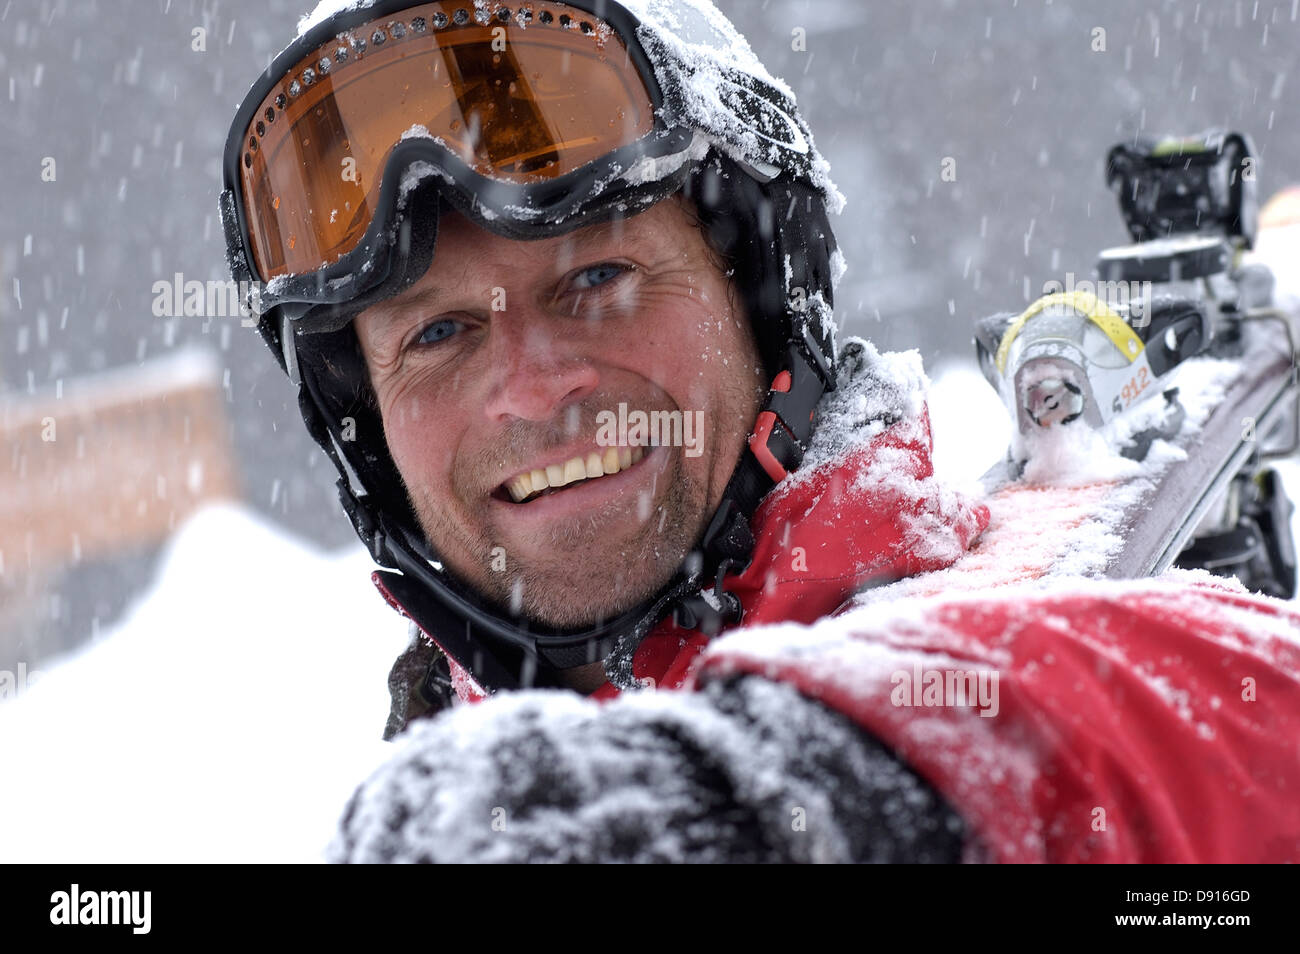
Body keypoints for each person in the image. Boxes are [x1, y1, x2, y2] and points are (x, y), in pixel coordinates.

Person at [221, 0, 1300, 862]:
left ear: (764, 304)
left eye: (599, 276)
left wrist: (853, 785)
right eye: (442, 332)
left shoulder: (1015, 624)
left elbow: (1236, 716)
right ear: (365, 430)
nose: (528, 390)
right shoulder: (428, 802)